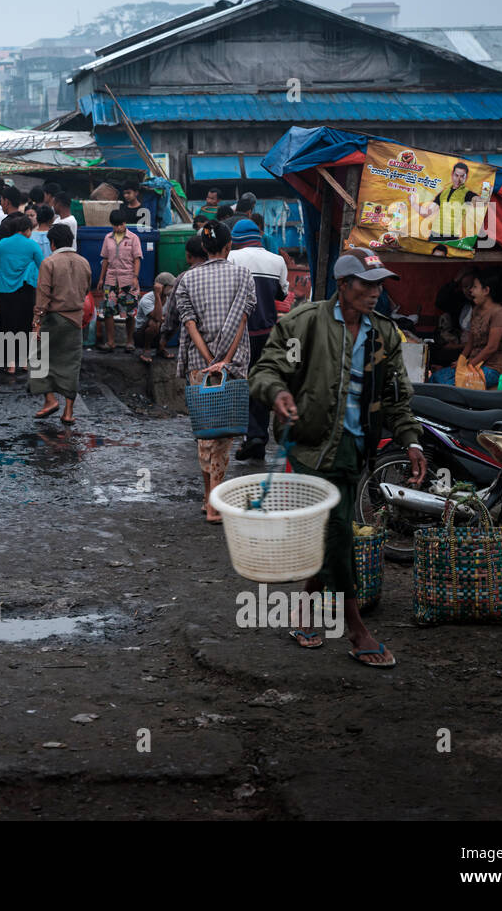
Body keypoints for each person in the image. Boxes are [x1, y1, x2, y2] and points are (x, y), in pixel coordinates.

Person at [249, 247, 426, 666]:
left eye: (380, 285)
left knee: (332, 528)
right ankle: (357, 630)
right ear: (343, 286)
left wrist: (412, 440)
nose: (375, 293)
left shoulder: (383, 334)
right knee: (339, 531)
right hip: (310, 445)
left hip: (354, 447)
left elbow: (397, 397)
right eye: (366, 285)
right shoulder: (303, 324)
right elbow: (265, 371)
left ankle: (303, 612)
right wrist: (278, 393)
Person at [174, 221, 255, 524]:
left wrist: (209, 358)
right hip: (232, 364)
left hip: (199, 363)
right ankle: (213, 506)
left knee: (206, 432)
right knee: (223, 435)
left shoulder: (187, 280)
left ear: (204, 249)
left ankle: (209, 497)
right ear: (228, 246)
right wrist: (225, 359)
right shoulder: (243, 275)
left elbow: (189, 322)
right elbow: (243, 319)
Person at [228, 218, 290, 461]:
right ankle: (258, 436)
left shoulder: (231, 258)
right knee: (262, 382)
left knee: (240, 384)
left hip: (238, 333)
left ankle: (248, 436)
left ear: (236, 239)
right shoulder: (277, 261)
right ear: (259, 237)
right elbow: (281, 294)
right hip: (266, 333)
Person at [31, 223, 92, 424]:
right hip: (75, 319)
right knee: (71, 364)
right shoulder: (84, 262)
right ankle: (68, 412)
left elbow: (43, 295)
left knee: (38, 358)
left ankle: (49, 400)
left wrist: (37, 321)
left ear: (53, 243)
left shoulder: (49, 263)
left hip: (54, 318)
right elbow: (86, 291)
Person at [429, 271, 502, 388]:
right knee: (435, 378)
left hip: (490, 368)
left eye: (475, 287)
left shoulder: (498, 312)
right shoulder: (476, 310)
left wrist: (470, 364)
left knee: (448, 386)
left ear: (486, 291)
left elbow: (492, 347)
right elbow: (470, 343)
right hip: (471, 364)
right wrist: (461, 361)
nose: (471, 291)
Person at [0, 212, 44, 374]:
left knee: (7, 325)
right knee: (25, 323)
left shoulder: (2, 244)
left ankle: (11, 363)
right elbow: (42, 265)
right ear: (27, 229)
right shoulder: (32, 245)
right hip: (26, 290)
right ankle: (26, 361)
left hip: (4, 290)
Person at [95, 209, 144, 352]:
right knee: (108, 311)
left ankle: (130, 342)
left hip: (128, 279)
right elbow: (104, 259)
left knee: (130, 312)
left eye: (119, 225)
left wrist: (135, 277)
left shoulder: (133, 238)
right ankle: (110, 342)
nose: (117, 228)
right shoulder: (107, 238)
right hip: (110, 280)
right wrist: (101, 279)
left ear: (125, 223)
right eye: (114, 225)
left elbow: (137, 259)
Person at [136, 272, 177, 364]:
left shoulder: (168, 298)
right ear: (161, 287)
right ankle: (146, 350)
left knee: (175, 321)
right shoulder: (147, 299)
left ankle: (160, 348)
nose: (172, 289)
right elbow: (157, 317)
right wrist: (157, 295)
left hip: (158, 333)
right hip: (141, 336)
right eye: (170, 286)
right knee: (154, 322)